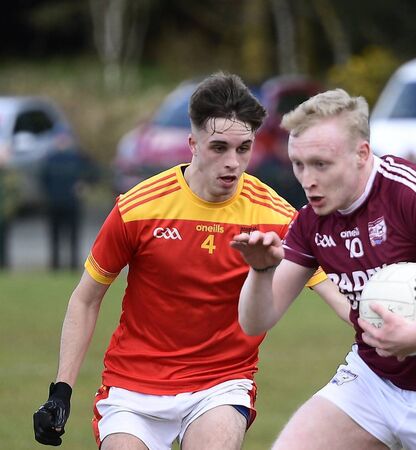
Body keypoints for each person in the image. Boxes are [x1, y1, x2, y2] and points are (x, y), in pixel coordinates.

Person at [32, 72, 348, 449]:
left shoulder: (276, 217)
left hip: (221, 385)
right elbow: (86, 298)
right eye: (219, 148)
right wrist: (61, 392)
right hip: (133, 387)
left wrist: (388, 328)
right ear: (192, 144)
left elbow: (337, 291)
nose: (233, 162)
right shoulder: (138, 208)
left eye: (243, 148)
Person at [232, 88, 416, 449]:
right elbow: (255, 322)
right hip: (372, 382)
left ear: (361, 154)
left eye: (321, 164)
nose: (307, 180)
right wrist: (260, 272)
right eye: (298, 164)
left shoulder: (414, 194)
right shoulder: (310, 222)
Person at [40, 144, 95, 270]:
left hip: (71, 203)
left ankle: (72, 264)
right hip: (55, 203)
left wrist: (85, 185)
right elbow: (42, 178)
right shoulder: (50, 158)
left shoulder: (77, 157)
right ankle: (55, 265)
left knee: (72, 235)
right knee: (55, 235)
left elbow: (92, 171)